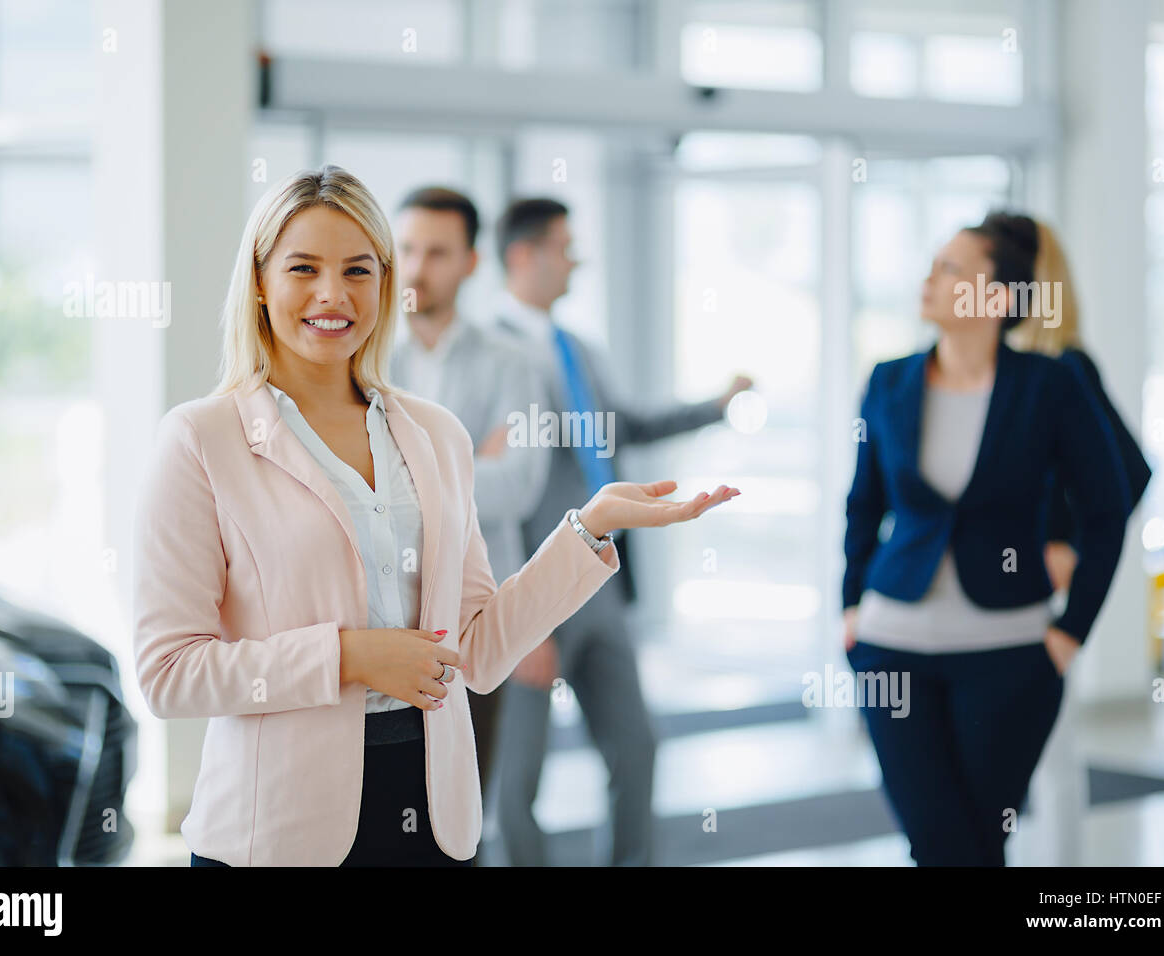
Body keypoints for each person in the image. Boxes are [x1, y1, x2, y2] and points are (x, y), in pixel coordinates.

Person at [132, 165, 740, 867]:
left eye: (358, 270)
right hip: (277, 834)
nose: (333, 294)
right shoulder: (202, 439)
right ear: (262, 281)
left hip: (433, 818)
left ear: (386, 285)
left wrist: (589, 527)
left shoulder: (435, 434)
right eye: (304, 267)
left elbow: (477, 651)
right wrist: (349, 656)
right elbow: (170, 673)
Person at [841, 212, 1133, 866]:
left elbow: (1106, 508)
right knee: (938, 843)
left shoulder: (1050, 386)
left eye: (948, 269)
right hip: (893, 652)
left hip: (1011, 656)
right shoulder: (889, 380)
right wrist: (850, 606)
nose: (927, 279)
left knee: (977, 845)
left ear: (996, 297)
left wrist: (1071, 630)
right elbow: (863, 504)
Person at [490, 197, 753, 866]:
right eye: (564, 245)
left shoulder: (576, 347)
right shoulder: (487, 353)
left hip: (600, 578)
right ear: (524, 255)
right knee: (516, 779)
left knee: (636, 746)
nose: (577, 259)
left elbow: (624, 427)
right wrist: (516, 616)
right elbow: (483, 497)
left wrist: (715, 407)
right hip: (527, 591)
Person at [388, 185, 549, 836]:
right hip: (384, 618)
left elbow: (520, 486)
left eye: (436, 252)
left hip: (473, 623)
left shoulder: (515, 364)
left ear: (471, 263)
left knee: (459, 822)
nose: (417, 268)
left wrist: (400, 476)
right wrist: (461, 462)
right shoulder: (367, 358)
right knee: (385, 815)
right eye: (406, 249)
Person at [995, 212, 1152, 593]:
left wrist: (1071, 544)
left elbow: (1131, 471)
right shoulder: (1008, 369)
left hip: (1027, 580)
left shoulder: (1066, 366)